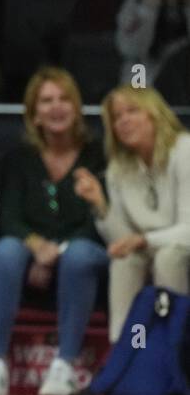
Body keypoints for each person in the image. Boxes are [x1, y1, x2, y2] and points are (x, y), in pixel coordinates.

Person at [0, 68, 108, 395]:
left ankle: (65, 365)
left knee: (80, 254)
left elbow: (98, 221)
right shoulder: (20, 158)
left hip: (83, 259)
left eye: (64, 100)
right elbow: (9, 217)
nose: (56, 108)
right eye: (46, 101)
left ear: (76, 108)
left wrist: (55, 252)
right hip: (32, 259)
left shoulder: (98, 154)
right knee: (5, 249)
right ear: (33, 113)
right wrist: (36, 246)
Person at [75, 85, 190, 343]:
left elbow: (188, 229)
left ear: (155, 114)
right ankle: (122, 352)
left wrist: (144, 240)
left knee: (168, 258)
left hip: (182, 248)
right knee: (124, 262)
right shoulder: (119, 167)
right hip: (150, 248)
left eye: (132, 111)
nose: (123, 121)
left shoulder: (185, 150)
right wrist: (100, 204)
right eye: (116, 117)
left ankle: (172, 349)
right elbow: (122, 241)